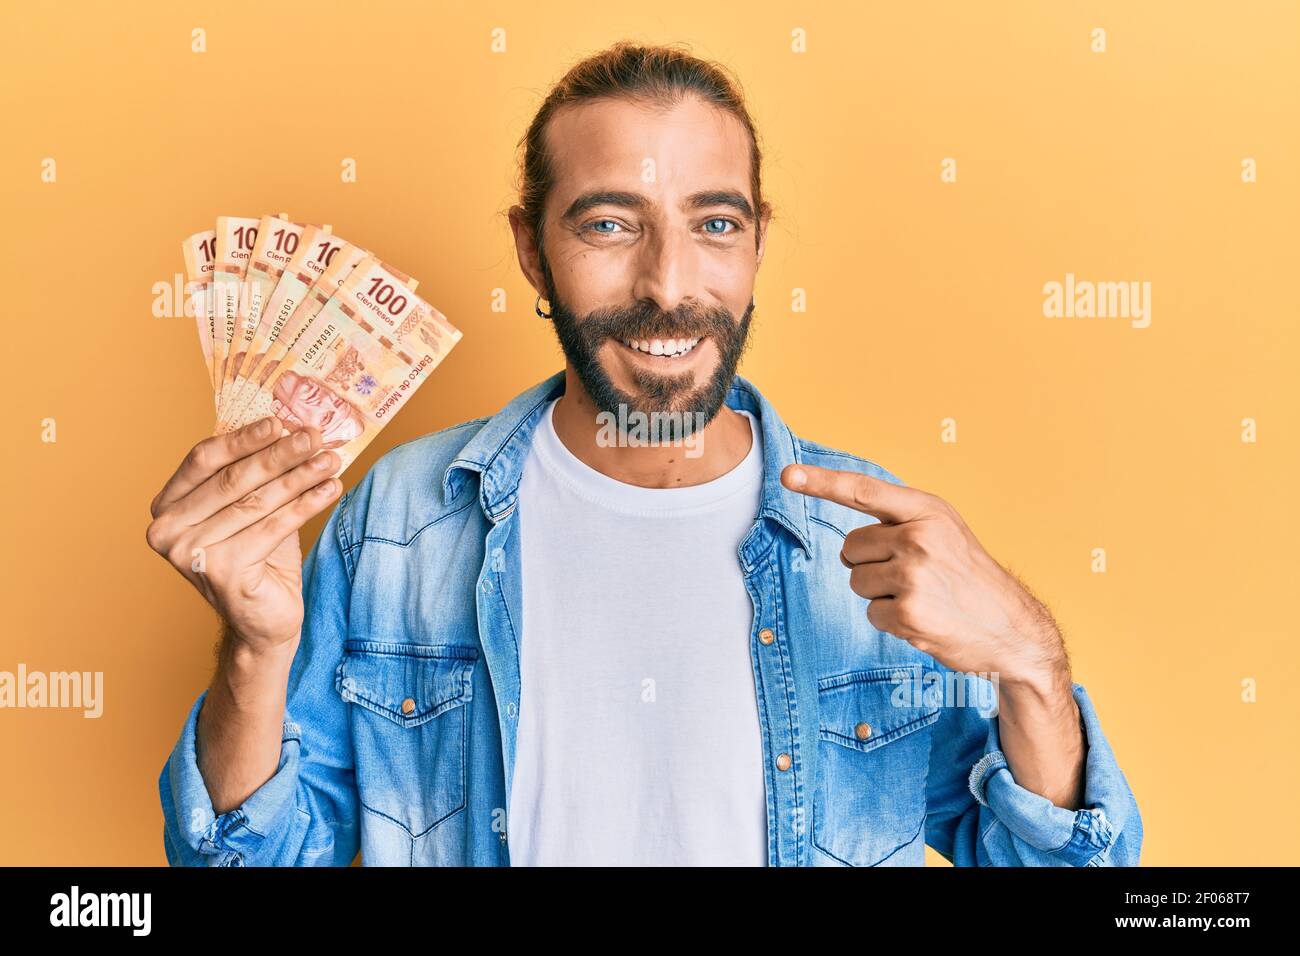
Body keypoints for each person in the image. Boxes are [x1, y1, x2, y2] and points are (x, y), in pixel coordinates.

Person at [149, 41, 1142, 866]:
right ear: (532, 249)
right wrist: (256, 651)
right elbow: (246, 859)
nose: (668, 283)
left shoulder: (876, 544)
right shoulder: (400, 517)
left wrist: (1030, 662)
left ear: (756, 248)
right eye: (610, 223)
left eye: (715, 223)